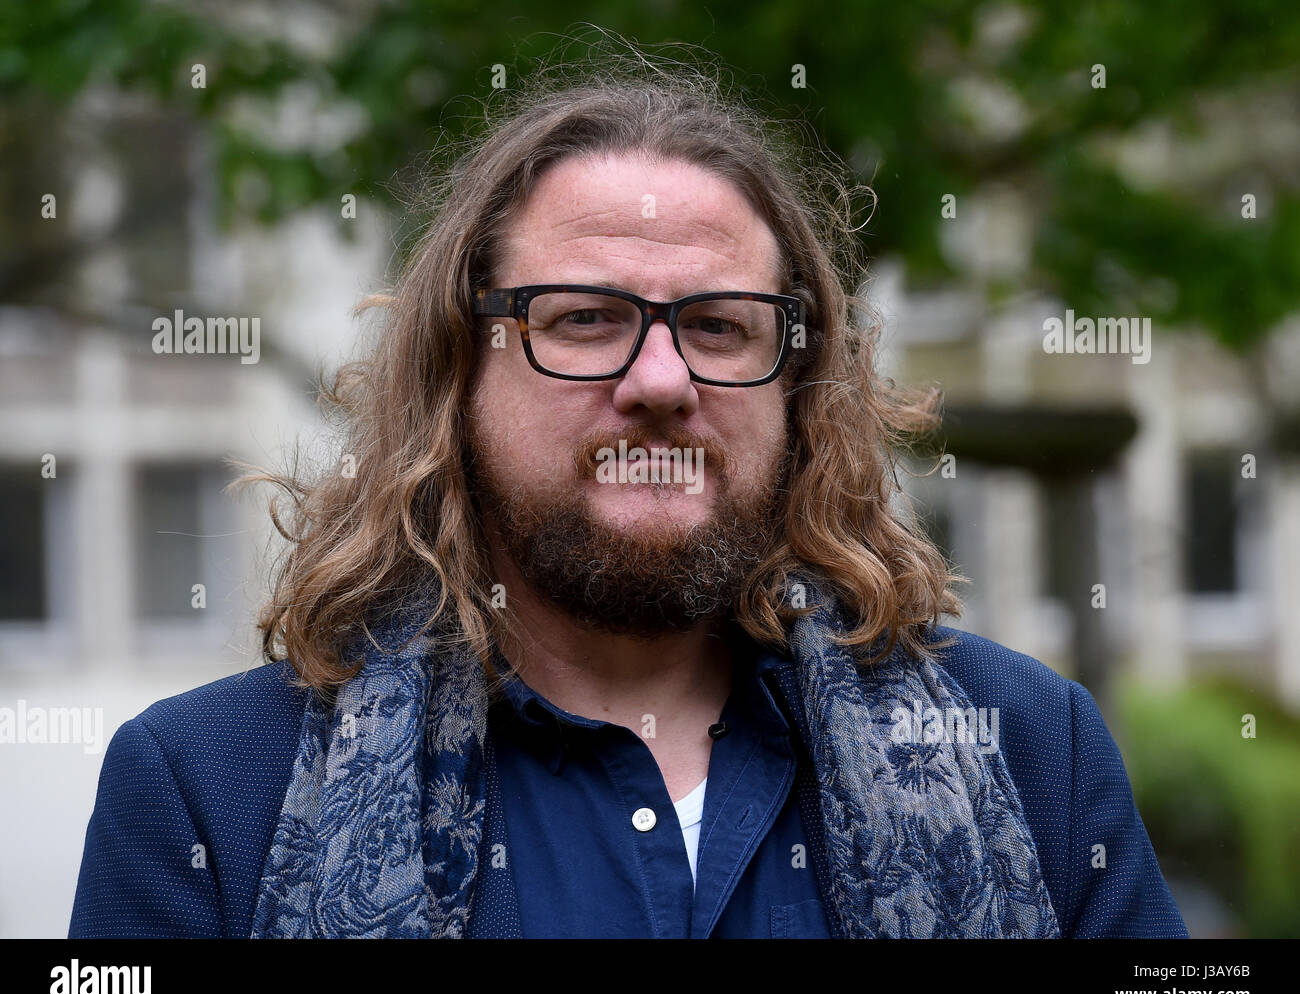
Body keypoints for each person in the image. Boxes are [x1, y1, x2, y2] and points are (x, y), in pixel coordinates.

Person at [69, 49, 1187, 939]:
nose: (660, 382)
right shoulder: (206, 795)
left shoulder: (1030, 749)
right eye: (583, 319)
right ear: (460, 370)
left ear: (799, 383)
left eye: (717, 326)